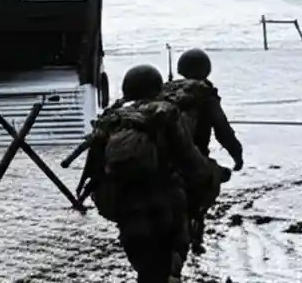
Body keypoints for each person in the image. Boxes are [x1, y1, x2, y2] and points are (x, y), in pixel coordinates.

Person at [85, 65, 212, 283]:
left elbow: (94, 172)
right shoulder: (165, 114)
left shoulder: (111, 119)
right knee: (166, 262)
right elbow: (190, 160)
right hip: (162, 206)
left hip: (125, 210)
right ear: (156, 87)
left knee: (145, 269)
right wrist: (205, 183)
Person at [160, 48, 243, 252]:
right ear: (207, 70)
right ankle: (196, 236)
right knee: (205, 187)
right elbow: (222, 129)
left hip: (164, 158)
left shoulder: (166, 92)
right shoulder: (204, 95)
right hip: (194, 157)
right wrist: (237, 154)